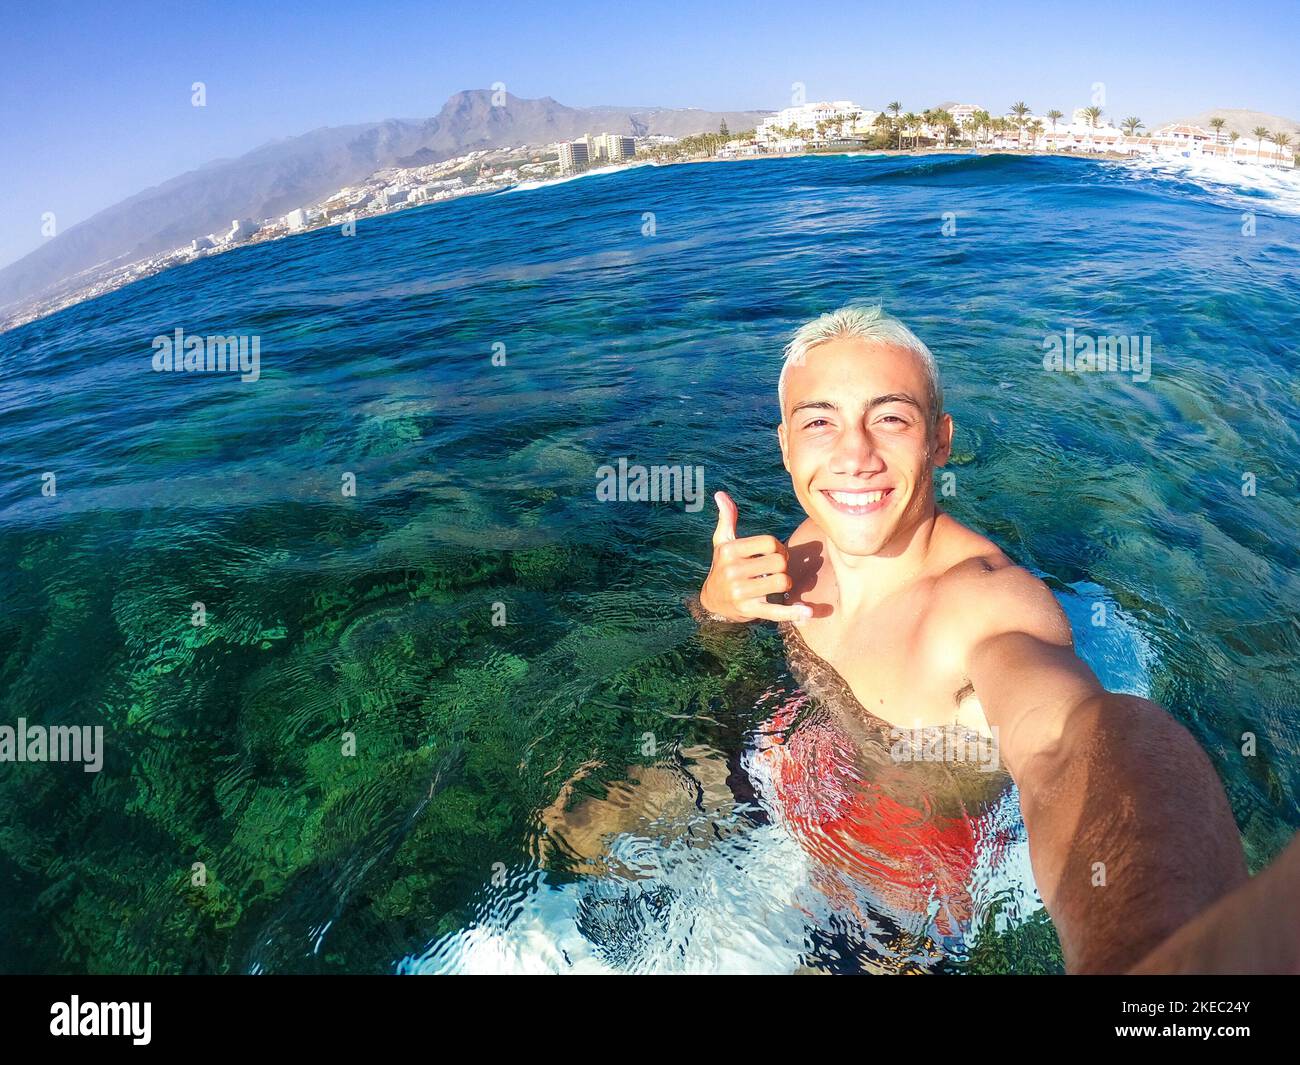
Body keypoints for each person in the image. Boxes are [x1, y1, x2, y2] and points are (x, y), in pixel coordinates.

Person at [696, 304, 1297, 974]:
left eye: (889, 417)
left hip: (898, 886)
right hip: (794, 775)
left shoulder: (983, 605)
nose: (854, 454)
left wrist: (1156, 955)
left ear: (940, 441)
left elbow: (1070, 744)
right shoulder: (804, 547)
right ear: (785, 445)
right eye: (820, 421)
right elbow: (727, 662)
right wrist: (717, 605)